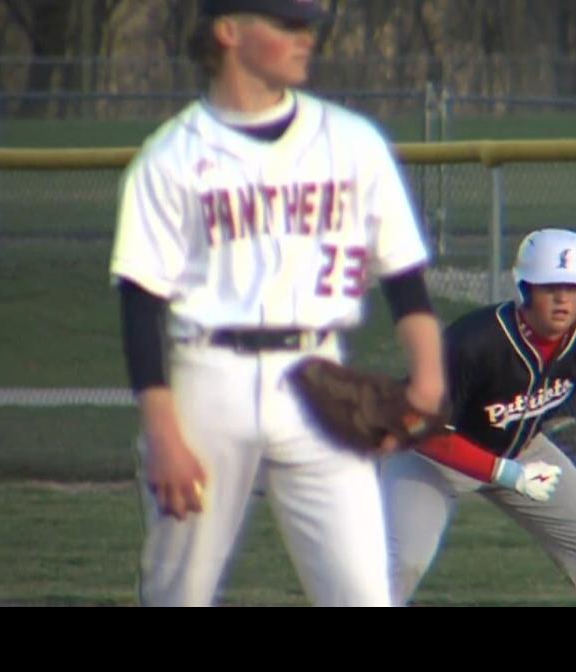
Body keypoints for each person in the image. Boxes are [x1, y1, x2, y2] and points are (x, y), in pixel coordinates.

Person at [109, 0, 444, 607]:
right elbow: (139, 303)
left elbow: (403, 276)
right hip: (209, 378)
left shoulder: (353, 142)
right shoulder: (170, 157)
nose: (305, 38)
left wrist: (427, 378)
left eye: (308, 25)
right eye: (287, 24)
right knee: (177, 592)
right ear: (230, 31)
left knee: (365, 594)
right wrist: (162, 433)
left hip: (319, 376)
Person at [381, 228, 576, 607]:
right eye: (549, 287)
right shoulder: (475, 341)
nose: (562, 299)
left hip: (524, 452)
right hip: (432, 457)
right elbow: (418, 425)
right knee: (402, 563)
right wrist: (505, 473)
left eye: (573, 288)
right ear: (525, 289)